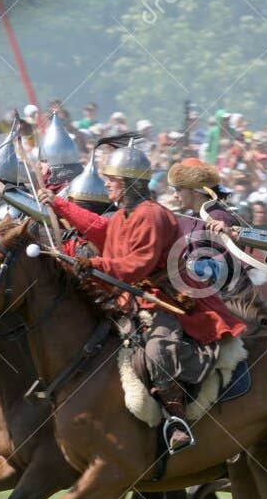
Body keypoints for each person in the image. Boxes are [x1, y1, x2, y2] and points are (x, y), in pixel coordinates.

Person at [40, 141, 244, 454]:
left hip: (167, 299)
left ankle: (177, 419)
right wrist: (58, 205)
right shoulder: (124, 215)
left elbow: (138, 264)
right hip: (132, 299)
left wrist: (94, 264)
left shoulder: (154, 216)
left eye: (111, 179)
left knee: (157, 350)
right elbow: (99, 228)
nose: (106, 183)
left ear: (126, 184)